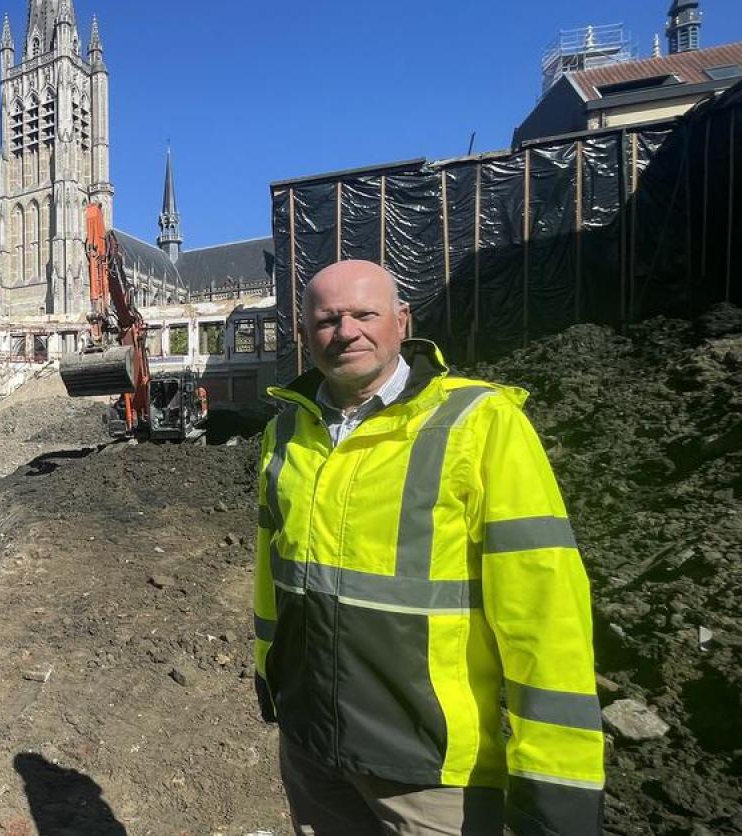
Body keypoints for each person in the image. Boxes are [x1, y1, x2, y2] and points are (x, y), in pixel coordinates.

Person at [252, 260, 603, 835]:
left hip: (431, 773)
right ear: (302, 334)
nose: (346, 331)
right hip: (313, 750)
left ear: (402, 321)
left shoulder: (479, 423)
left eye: (364, 314)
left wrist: (559, 784)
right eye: (326, 319)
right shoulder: (287, 433)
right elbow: (274, 581)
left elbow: (545, 615)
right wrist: (273, 682)